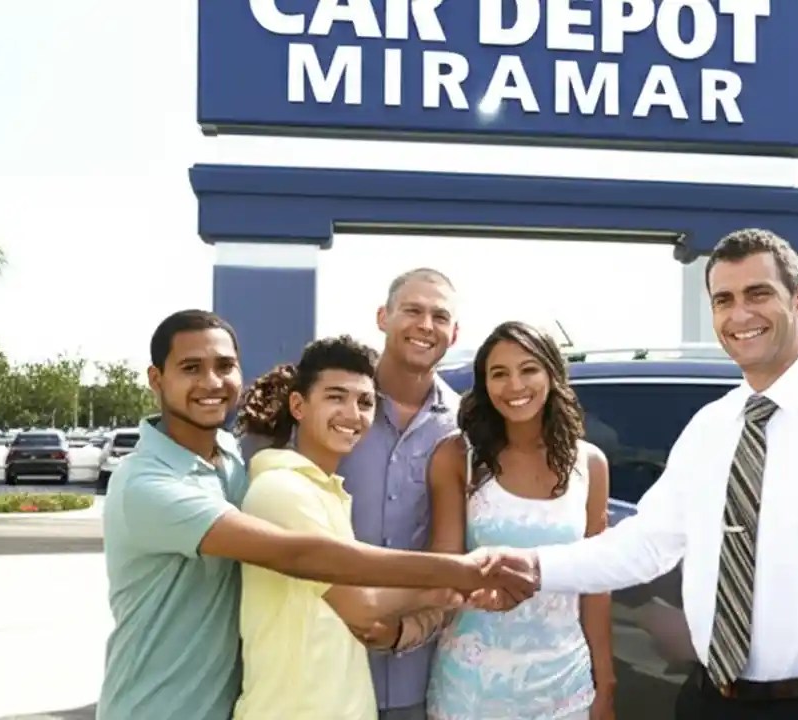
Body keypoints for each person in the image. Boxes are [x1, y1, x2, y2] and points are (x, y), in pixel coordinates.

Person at [474, 229, 798, 720]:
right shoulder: (711, 428)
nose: (739, 315)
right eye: (724, 300)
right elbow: (645, 546)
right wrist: (532, 566)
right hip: (707, 700)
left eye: (758, 294)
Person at [98, 310, 533, 720]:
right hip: (155, 704)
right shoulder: (151, 485)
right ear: (156, 378)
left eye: (224, 365)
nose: (211, 381)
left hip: (224, 699)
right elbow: (302, 556)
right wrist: (459, 573)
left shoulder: (230, 459)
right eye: (191, 367)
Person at [230, 335, 465, 720]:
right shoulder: (282, 490)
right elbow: (361, 606)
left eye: (365, 402)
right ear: (298, 406)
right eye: (336, 397)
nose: (352, 413)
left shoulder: (329, 491)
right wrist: (447, 584)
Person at [425, 320, 616, 720]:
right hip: (472, 685)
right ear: (484, 383)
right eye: (499, 373)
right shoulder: (458, 458)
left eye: (528, 369)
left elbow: (596, 583)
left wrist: (606, 681)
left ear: (551, 374)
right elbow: (443, 569)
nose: (514, 386)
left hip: (565, 680)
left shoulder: (590, 464)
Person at [335, 267, 467, 720]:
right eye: (412, 310)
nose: (425, 325)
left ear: (454, 332)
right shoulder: (333, 409)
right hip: (325, 660)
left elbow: (456, 551)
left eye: (439, 315)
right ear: (382, 317)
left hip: (417, 671)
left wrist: (406, 629)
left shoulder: (466, 425)